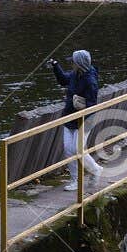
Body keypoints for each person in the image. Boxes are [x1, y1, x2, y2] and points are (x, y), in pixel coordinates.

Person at [52, 50, 102, 181]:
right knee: (69, 150)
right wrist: (55, 65)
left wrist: (83, 121)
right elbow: (63, 80)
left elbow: (91, 106)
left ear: (79, 63)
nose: (71, 64)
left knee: (78, 150)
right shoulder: (75, 75)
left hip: (84, 121)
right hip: (70, 118)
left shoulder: (90, 81)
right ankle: (75, 180)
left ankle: (95, 170)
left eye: (73, 62)